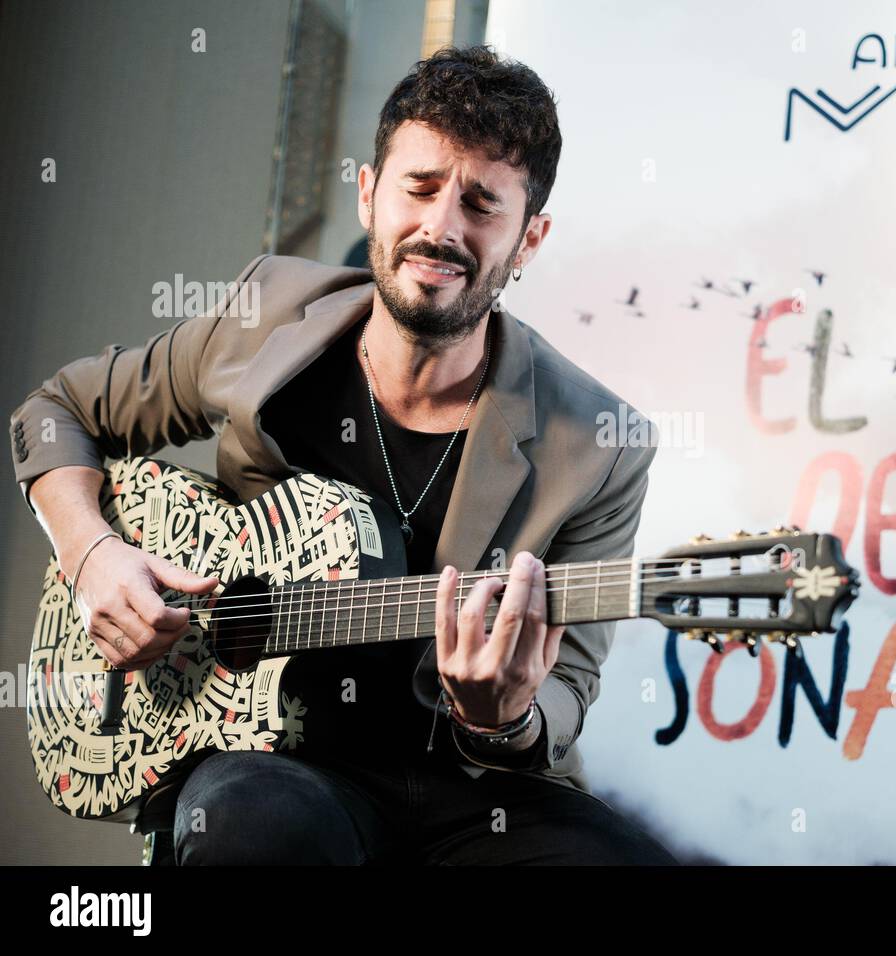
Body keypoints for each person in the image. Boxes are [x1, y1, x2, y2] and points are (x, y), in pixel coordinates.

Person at [10, 45, 678, 866]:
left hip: (476, 788)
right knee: (250, 832)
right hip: (274, 764)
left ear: (529, 239)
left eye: (481, 204)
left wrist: (501, 718)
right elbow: (59, 412)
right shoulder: (267, 316)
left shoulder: (604, 446)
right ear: (368, 193)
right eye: (421, 187)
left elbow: (566, 691)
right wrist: (92, 553)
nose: (442, 228)